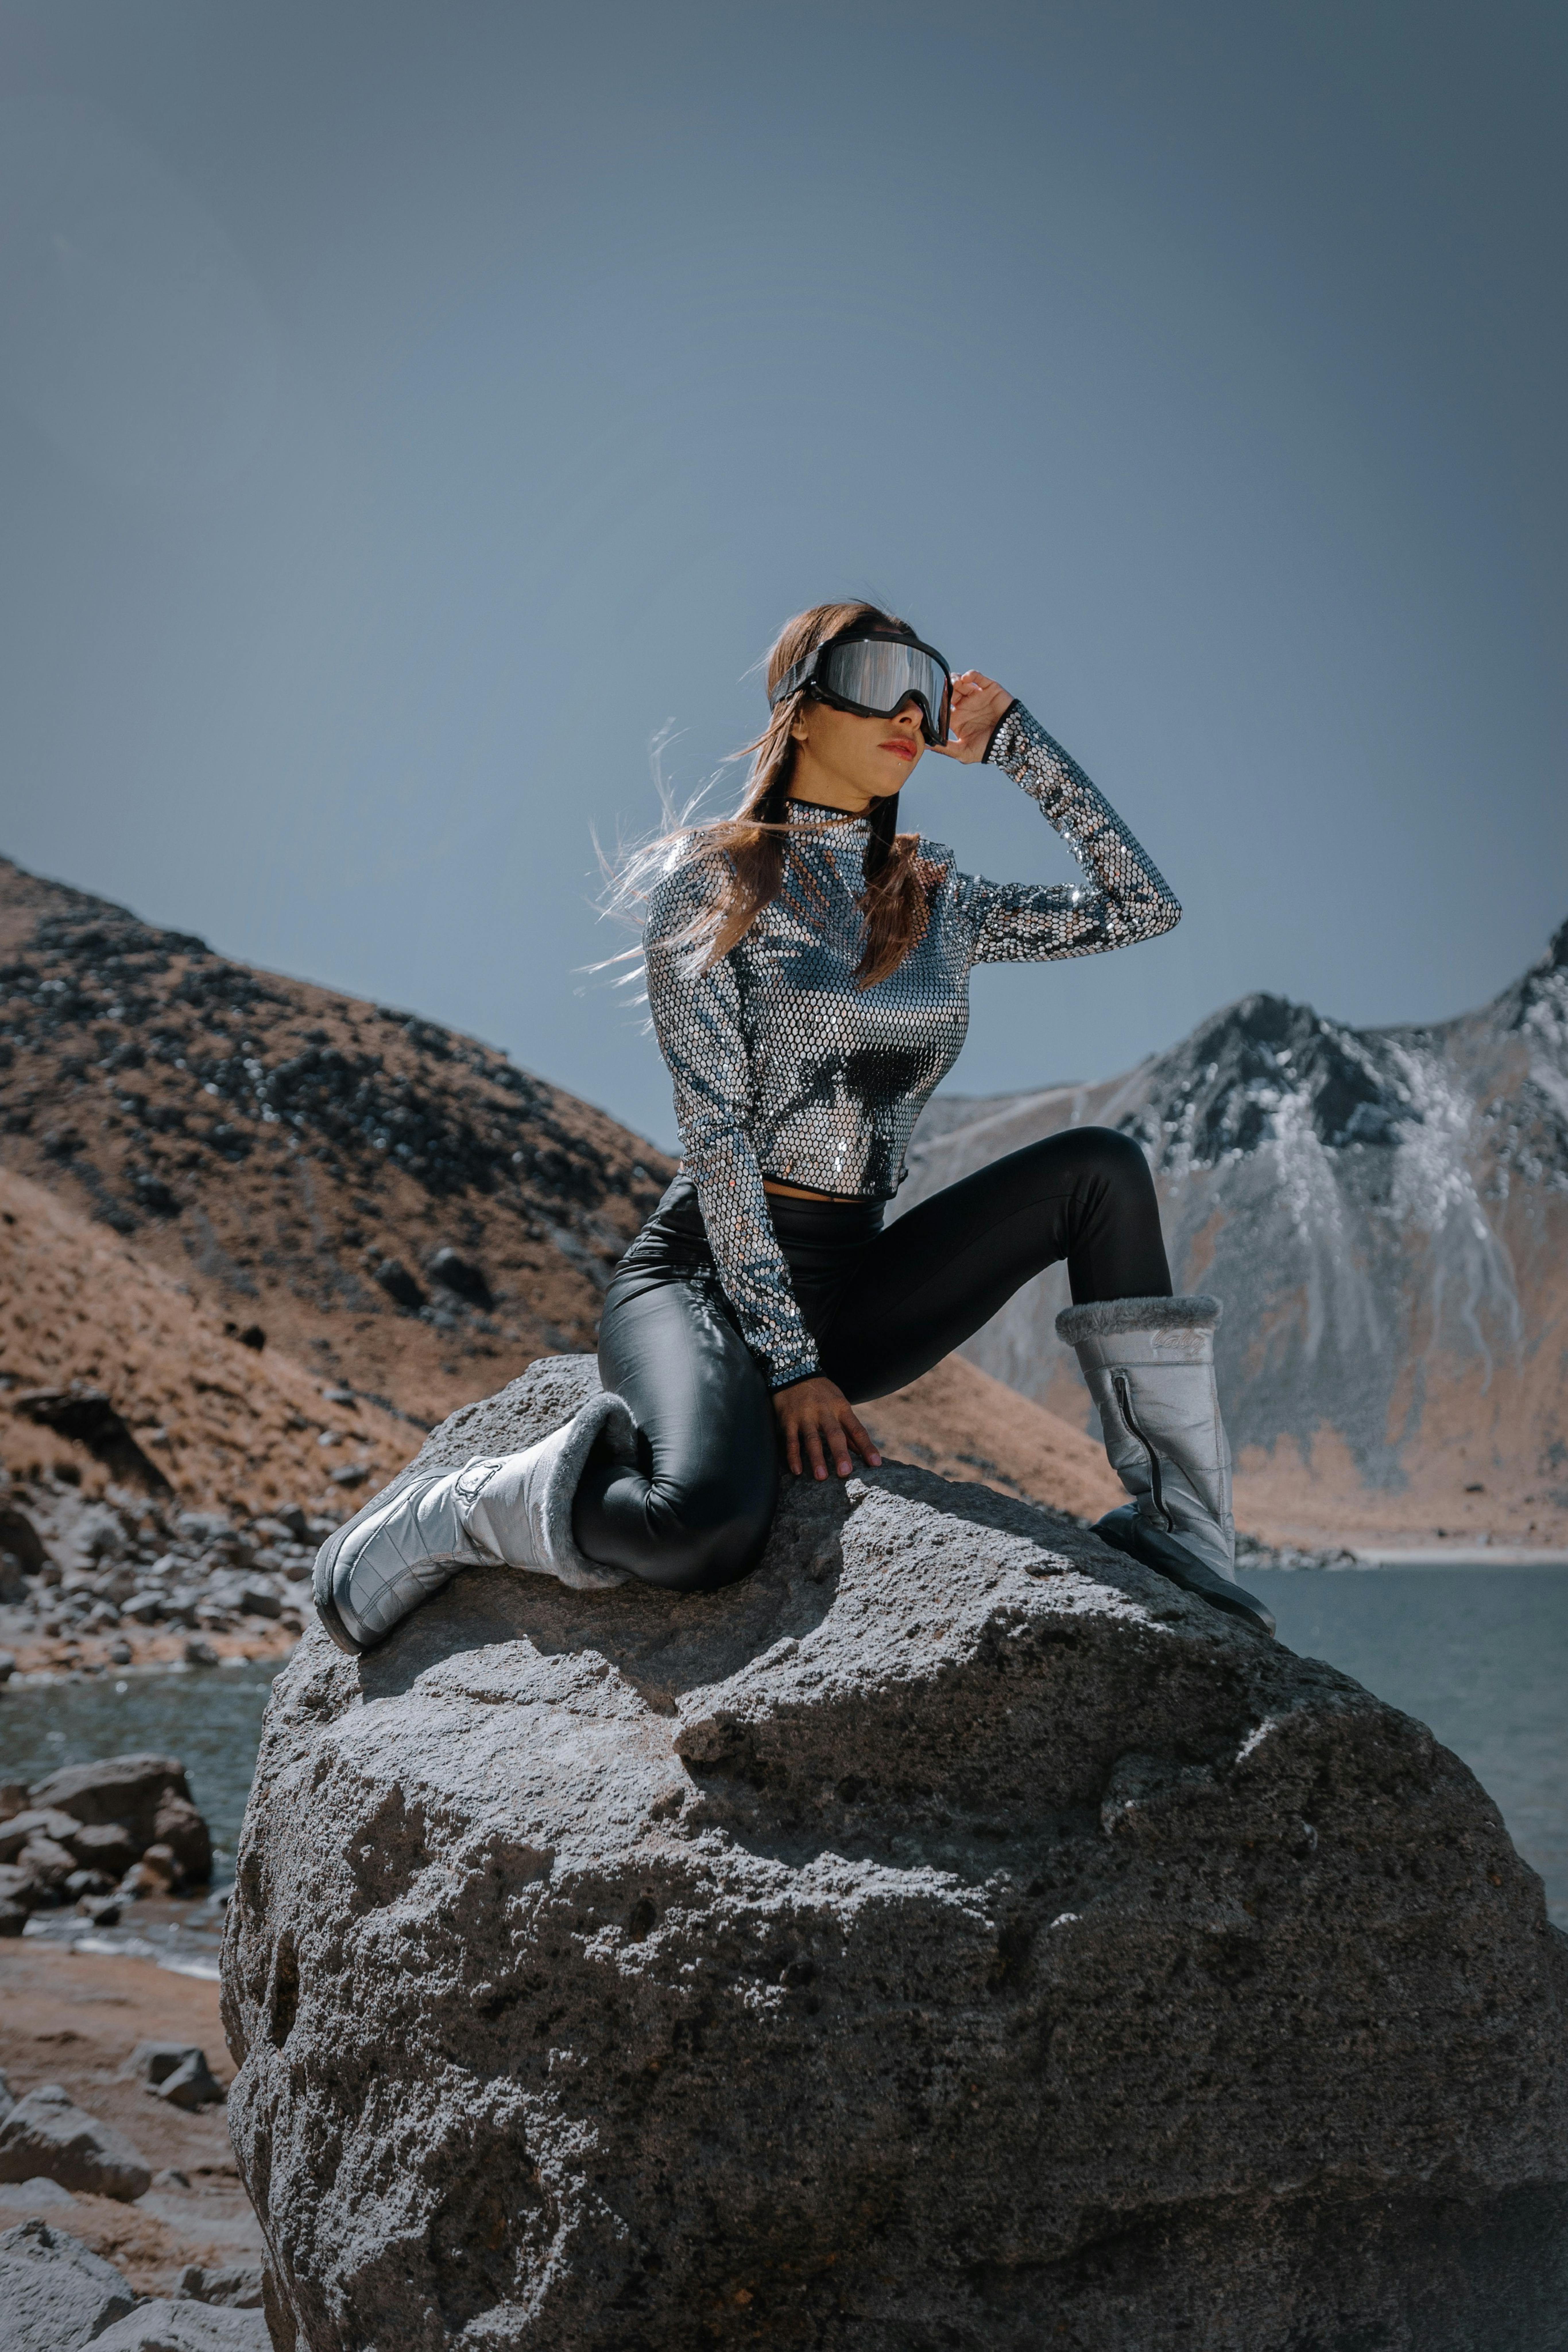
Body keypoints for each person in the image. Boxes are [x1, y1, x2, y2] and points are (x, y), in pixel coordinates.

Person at [314, 600, 1274, 1653]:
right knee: (705, 1531)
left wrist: (1017, 748)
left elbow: (1141, 906)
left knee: (1100, 1168)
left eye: (927, 681)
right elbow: (718, 1138)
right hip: (702, 1278)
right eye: (873, 675)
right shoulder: (718, 886)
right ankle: (463, 1508)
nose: (909, 706)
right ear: (800, 710)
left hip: (852, 1278)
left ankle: (1183, 1520)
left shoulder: (938, 896)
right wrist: (787, 1364)